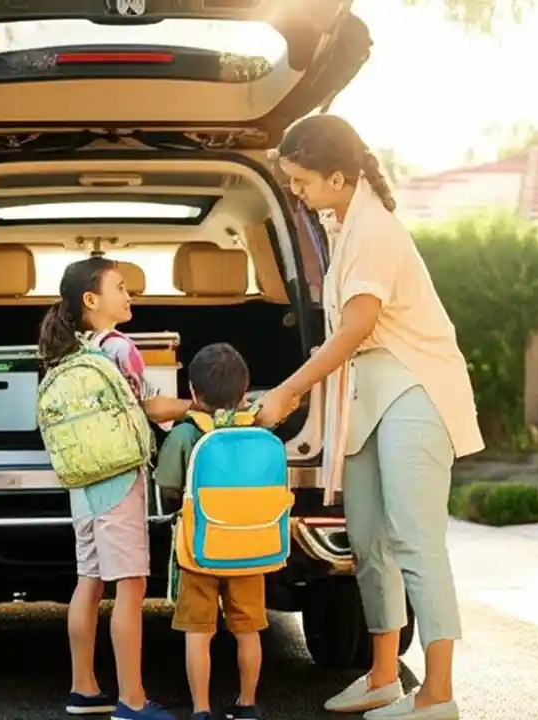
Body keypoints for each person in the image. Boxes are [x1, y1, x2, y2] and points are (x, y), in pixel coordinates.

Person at [255, 115, 484, 720]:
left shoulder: (375, 231)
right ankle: (383, 676)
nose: (297, 191)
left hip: (415, 386)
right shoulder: (340, 224)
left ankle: (437, 694)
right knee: (366, 536)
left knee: (414, 536)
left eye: (302, 180)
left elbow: (356, 327)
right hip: (371, 394)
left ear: (338, 175)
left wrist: (287, 392)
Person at [39, 256, 190, 720]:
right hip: (119, 478)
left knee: (89, 579)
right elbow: (149, 407)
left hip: (81, 482)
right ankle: (132, 698)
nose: (130, 295)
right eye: (121, 287)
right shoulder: (122, 348)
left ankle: (83, 688)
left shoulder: (65, 350)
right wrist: (195, 405)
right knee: (130, 584)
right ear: (92, 299)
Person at [154, 343, 266, 720]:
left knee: (198, 634)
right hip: (251, 547)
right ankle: (247, 704)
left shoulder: (187, 435)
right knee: (248, 630)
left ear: (192, 392)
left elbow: (168, 485)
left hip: (198, 550)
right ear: (245, 391)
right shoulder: (256, 431)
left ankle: (201, 708)